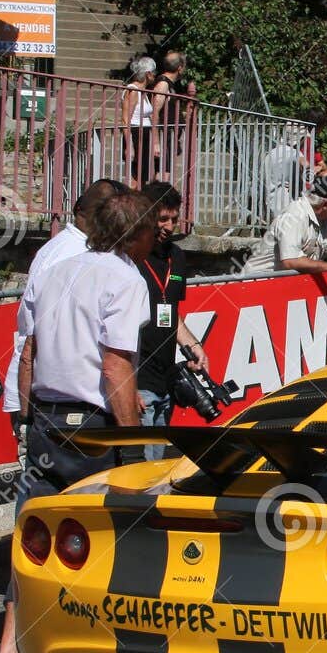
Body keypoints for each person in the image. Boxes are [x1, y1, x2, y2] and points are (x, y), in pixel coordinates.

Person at [0, 190, 159, 653]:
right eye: (154, 229)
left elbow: (30, 352)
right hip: (95, 428)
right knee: (119, 544)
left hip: (46, 420)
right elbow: (115, 366)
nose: (160, 237)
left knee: (38, 542)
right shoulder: (126, 278)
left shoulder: (59, 269)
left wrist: (26, 419)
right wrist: (130, 444)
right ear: (136, 234)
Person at [1, 178, 127, 430]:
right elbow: (32, 341)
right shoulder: (73, 254)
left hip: (51, 396)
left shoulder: (69, 250)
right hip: (59, 400)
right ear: (80, 210)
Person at [135, 182, 210, 463]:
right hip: (138, 379)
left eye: (174, 219)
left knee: (157, 465)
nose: (169, 226)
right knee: (140, 469)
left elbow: (171, 312)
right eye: (163, 219)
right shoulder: (132, 256)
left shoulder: (176, 256)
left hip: (165, 378)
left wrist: (194, 345)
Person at [244, 173, 327, 281]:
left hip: (280, 285)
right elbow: (290, 262)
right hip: (254, 285)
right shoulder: (294, 217)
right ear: (326, 205)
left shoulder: (322, 219)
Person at [151, 51, 196, 163]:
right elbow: (154, 112)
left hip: (168, 137)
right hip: (163, 136)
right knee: (162, 174)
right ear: (180, 68)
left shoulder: (169, 84)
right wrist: (156, 142)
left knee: (165, 172)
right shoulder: (163, 84)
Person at [122, 56, 159, 186]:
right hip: (136, 133)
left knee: (143, 175)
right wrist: (129, 145)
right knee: (136, 176)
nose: (155, 75)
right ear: (148, 74)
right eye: (154, 72)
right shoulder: (133, 90)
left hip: (144, 134)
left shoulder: (143, 91)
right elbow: (126, 118)